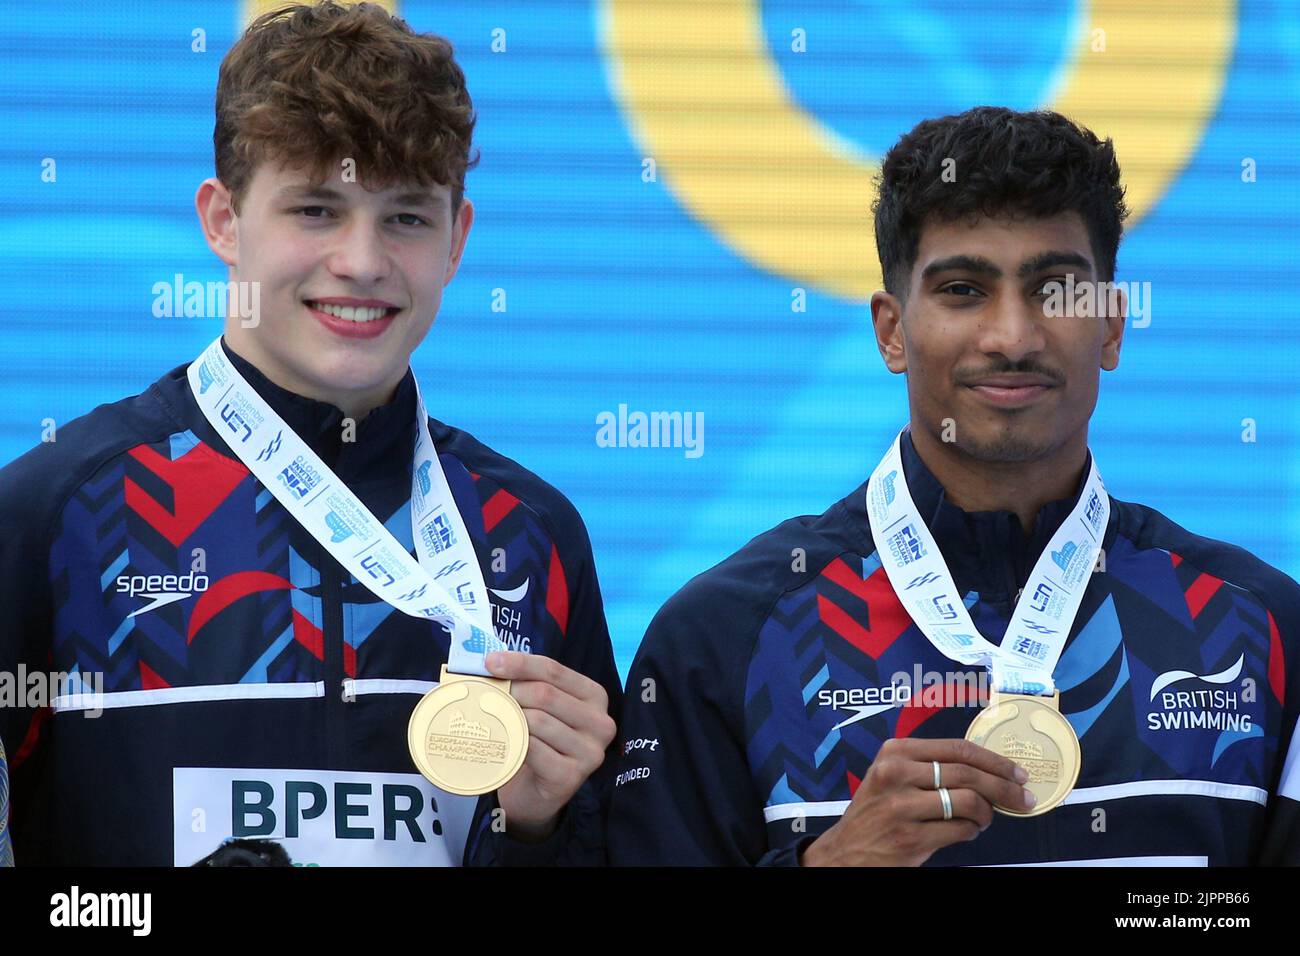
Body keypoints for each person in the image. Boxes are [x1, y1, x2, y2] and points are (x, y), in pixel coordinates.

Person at [0, 1, 619, 866]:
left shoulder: (532, 533)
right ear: (222, 220)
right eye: (317, 210)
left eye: (406, 217)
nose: (363, 262)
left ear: (457, 239)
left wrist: (537, 833)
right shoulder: (50, 513)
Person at [606, 106, 1300, 866]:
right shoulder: (718, 641)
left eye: (1056, 290)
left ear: (1110, 327)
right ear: (891, 331)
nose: (1011, 337)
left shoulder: (1261, 630)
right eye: (964, 289)